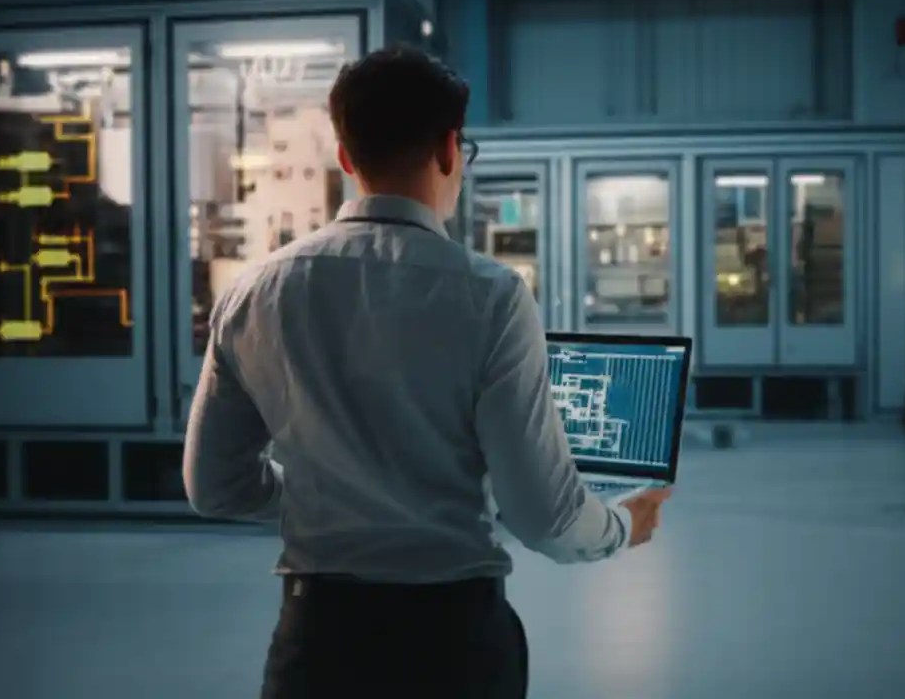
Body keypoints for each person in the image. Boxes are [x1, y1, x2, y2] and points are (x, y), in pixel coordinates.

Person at [181, 45, 673, 699]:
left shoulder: (254, 293)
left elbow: (214, 487)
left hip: (316, 643)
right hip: (452, 644)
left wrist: (325, 497)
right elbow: (542, 516)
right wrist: (623, 526)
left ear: (346, 158)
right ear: (448, 150)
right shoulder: (492, 296)